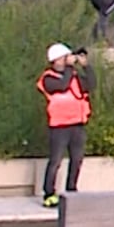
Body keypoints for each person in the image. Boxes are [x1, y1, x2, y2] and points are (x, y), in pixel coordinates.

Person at [37, 42, 92, 207]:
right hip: (59, 126)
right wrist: (70, 68)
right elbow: (61, 86)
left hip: (77, 124)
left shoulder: (73, 76)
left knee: (77, 159)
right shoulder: (48, 78)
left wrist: (86, 67)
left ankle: (71, 191)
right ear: (56, 60)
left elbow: (91, 85)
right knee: (55, 161)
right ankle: (49, 193)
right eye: (64, 57)